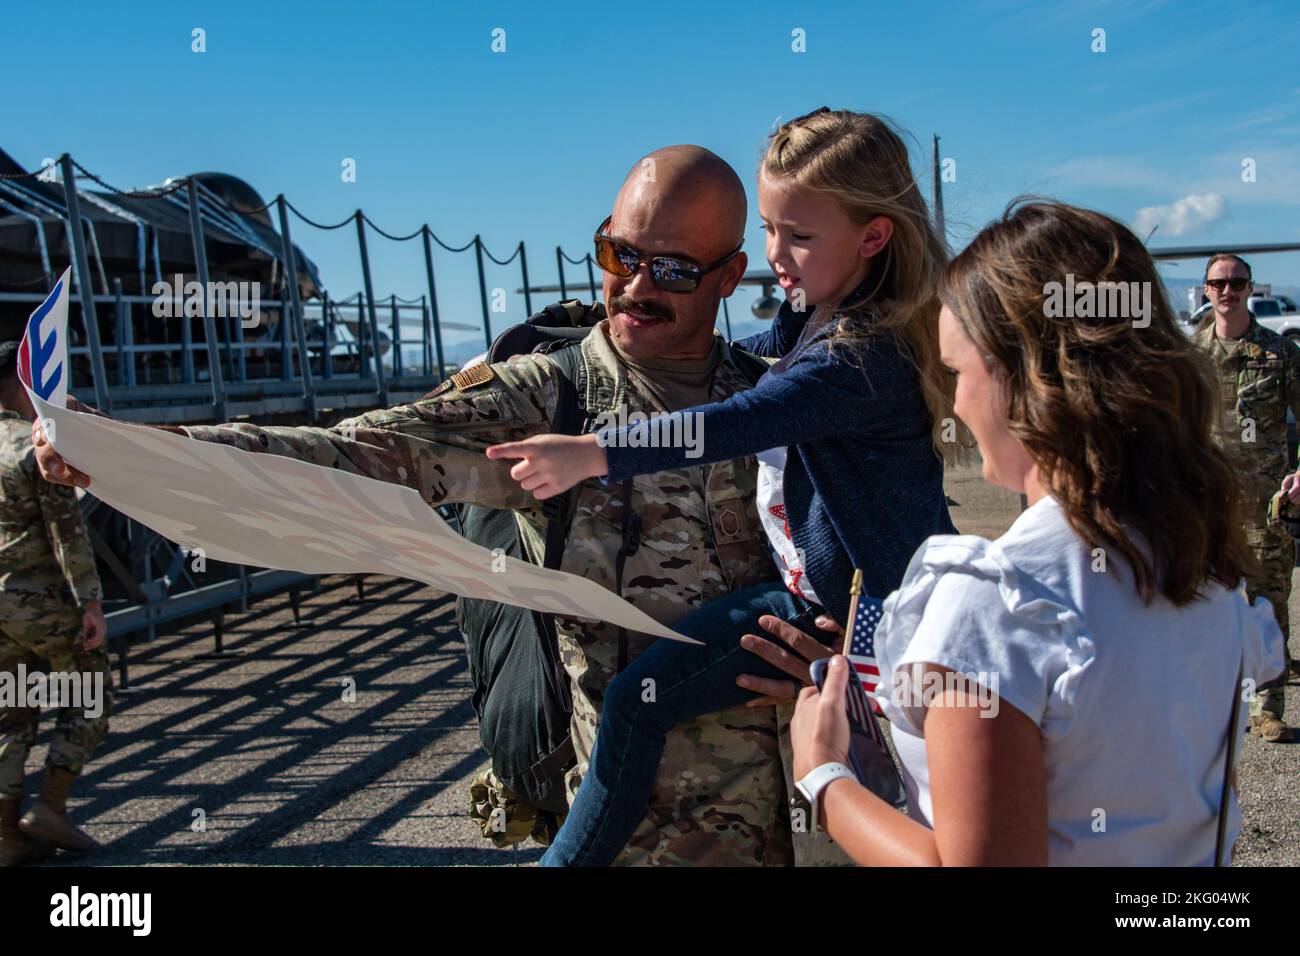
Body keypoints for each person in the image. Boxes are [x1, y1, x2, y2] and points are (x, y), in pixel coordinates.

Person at [34, 146, 835, 866]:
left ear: (730, 277)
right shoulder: (550, 397)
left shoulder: (770, 400)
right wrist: (140, 450)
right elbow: (359, 449)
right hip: (621, 827)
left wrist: (823, 654)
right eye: (619, 254)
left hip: (769, 825)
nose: (634, 286)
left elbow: (852, 558)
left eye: (674, 270)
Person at [488, 109, 958, 866]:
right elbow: (724, 358)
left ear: (873, 237)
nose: (776, 253)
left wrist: (591, 452)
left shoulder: (860, 357)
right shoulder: (813, 315)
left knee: (903, 809)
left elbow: (732, 418)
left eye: (799, 236)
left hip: (878, 626)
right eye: (770, 228)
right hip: (817, 603)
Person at [789, 200, 1286, 865]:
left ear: (1023, 377)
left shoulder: (1001, 601)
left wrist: (825, 777)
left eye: (958, 373)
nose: (956, 403)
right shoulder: (1204, 565)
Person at [0, 340, 111, 866]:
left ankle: (6, 837)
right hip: (44, 605)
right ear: (23, 387)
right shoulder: (35, 446)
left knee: (10, 715)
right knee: (89, 694)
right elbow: (67, 534)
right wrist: (90, 603)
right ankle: (51, 806)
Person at [1191, 254, 1298, 743]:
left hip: (1264, 508)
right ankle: (1209, 705)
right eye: (1219, 283)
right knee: (1202, 605)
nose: (1227, 290)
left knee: (1267, 608)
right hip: (1207, 508)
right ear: (1206, 291)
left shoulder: (1280, 353)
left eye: (1236, 282)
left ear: (1249, 287)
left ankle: (1267, 708)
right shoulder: (1191, 355)